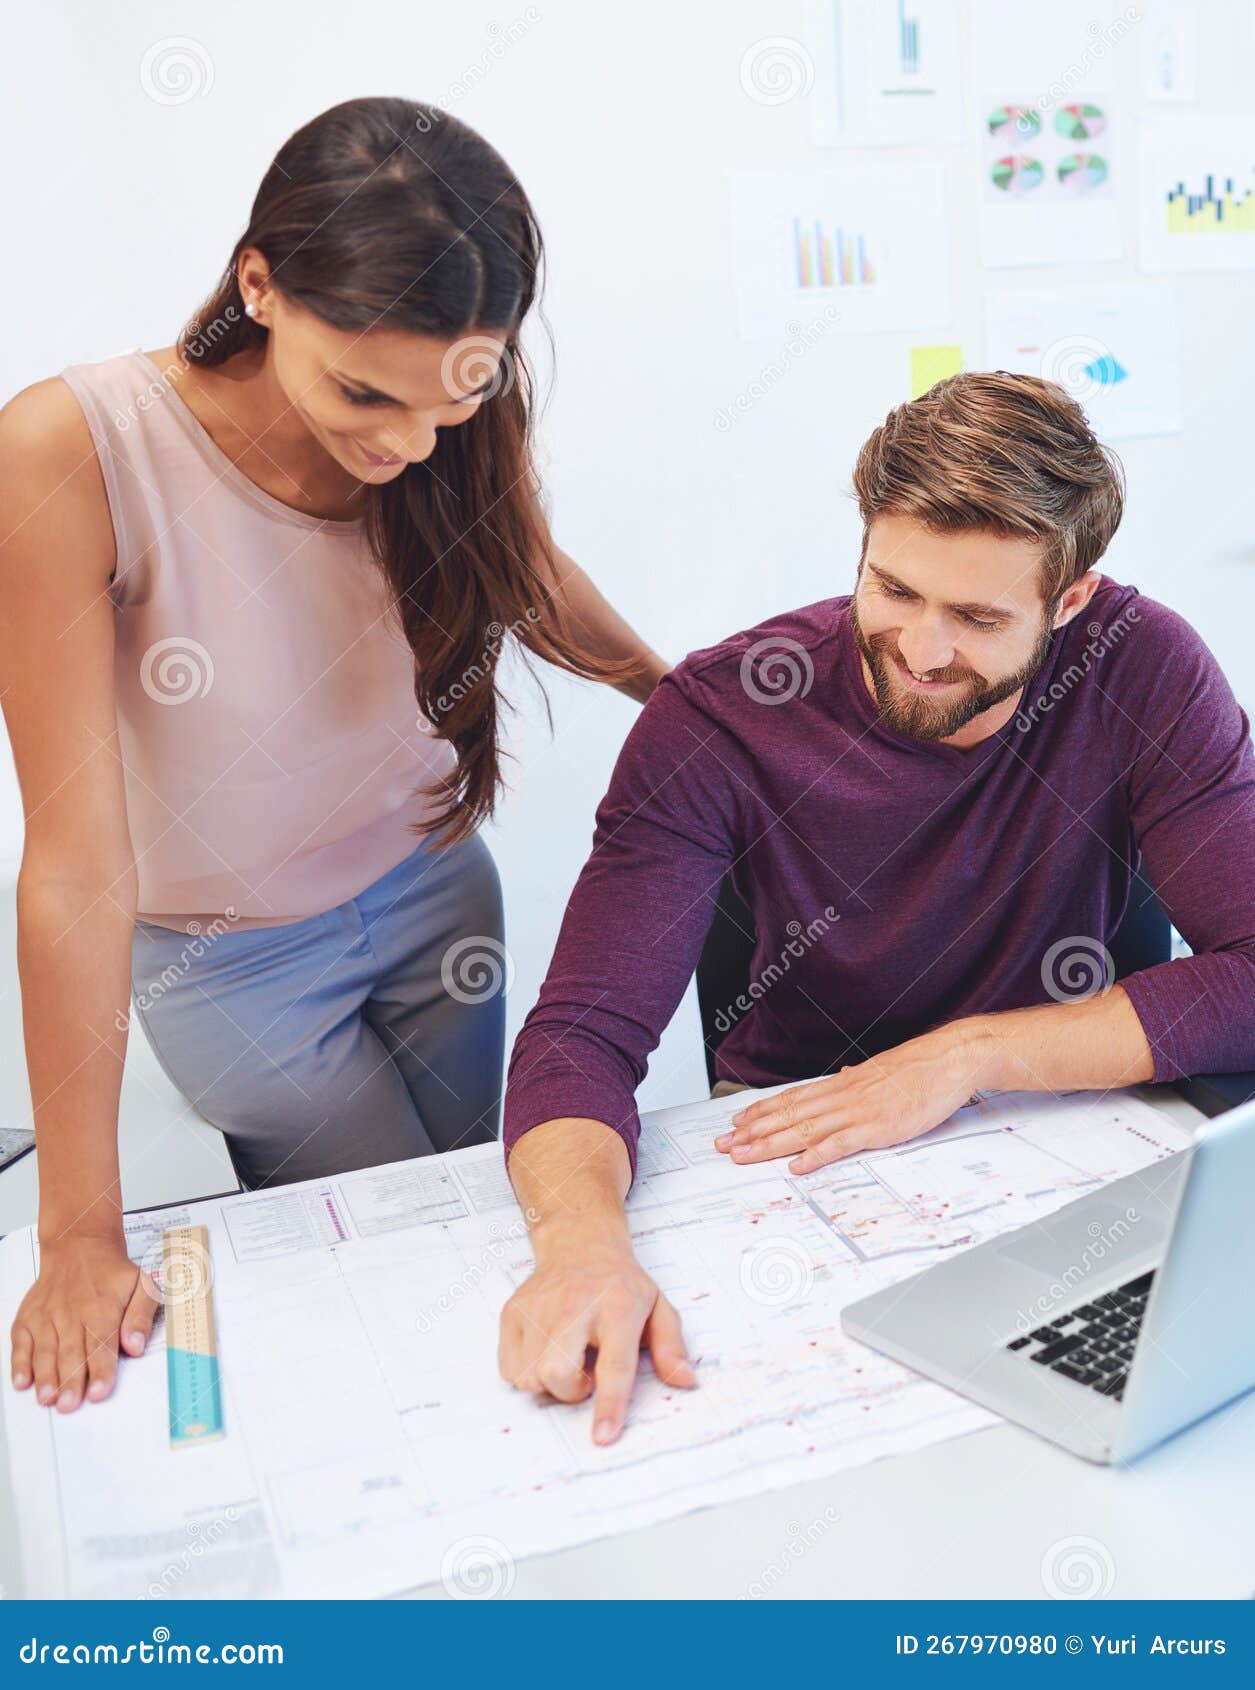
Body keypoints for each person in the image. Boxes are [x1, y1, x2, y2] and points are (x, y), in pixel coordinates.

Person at [0, 97, 667, 1414]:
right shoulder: (69, 451)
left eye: (446, 401)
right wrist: (78, 1229)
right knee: (404, 1266)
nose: (408, 444)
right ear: (259, 284)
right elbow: (73, 864)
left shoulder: (451, 396)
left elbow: (526, 571)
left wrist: (682, 697)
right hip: (231, 964)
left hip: (436, 898)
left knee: (487, 1216)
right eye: (363, 392)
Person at [497, 371, 1255, 1446]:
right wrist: (579, 1244)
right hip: (810, 1171)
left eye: (979, 616)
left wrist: (966, 1056)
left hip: (1074, 1145)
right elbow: (582, 1036)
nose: (923, 649)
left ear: (1071, 600)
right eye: (893, 589)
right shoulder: (718, 718)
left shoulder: (1143, 667)